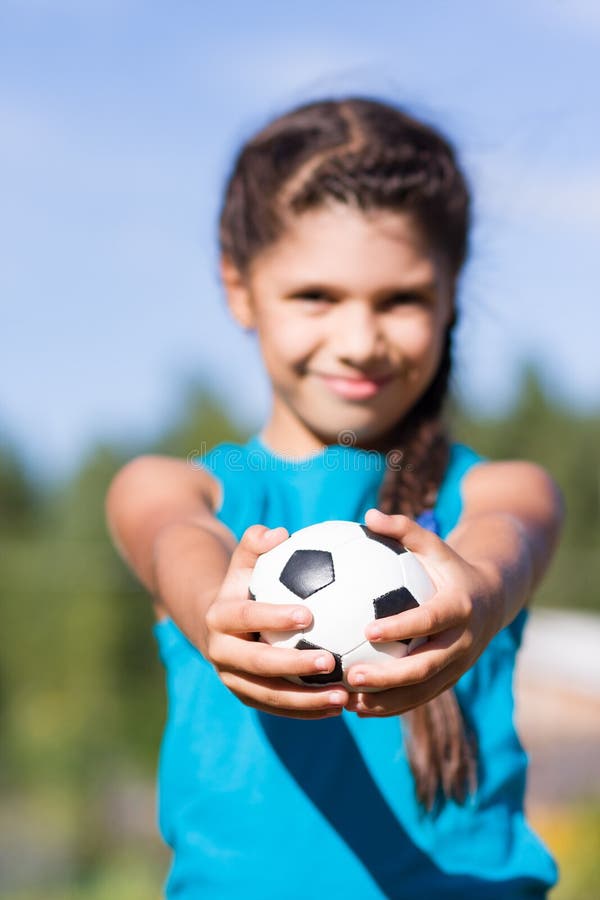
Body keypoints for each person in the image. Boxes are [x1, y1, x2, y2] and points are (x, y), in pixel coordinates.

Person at [105, 96, 564, 899]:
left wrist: (478, 599)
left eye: (401, 300)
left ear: (452, 292)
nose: (358, 341)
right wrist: (224, 612)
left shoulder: (500, 490)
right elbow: (176, 541)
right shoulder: (180, 488)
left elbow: (507, 546)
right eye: (315, 296)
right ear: (240, 288)